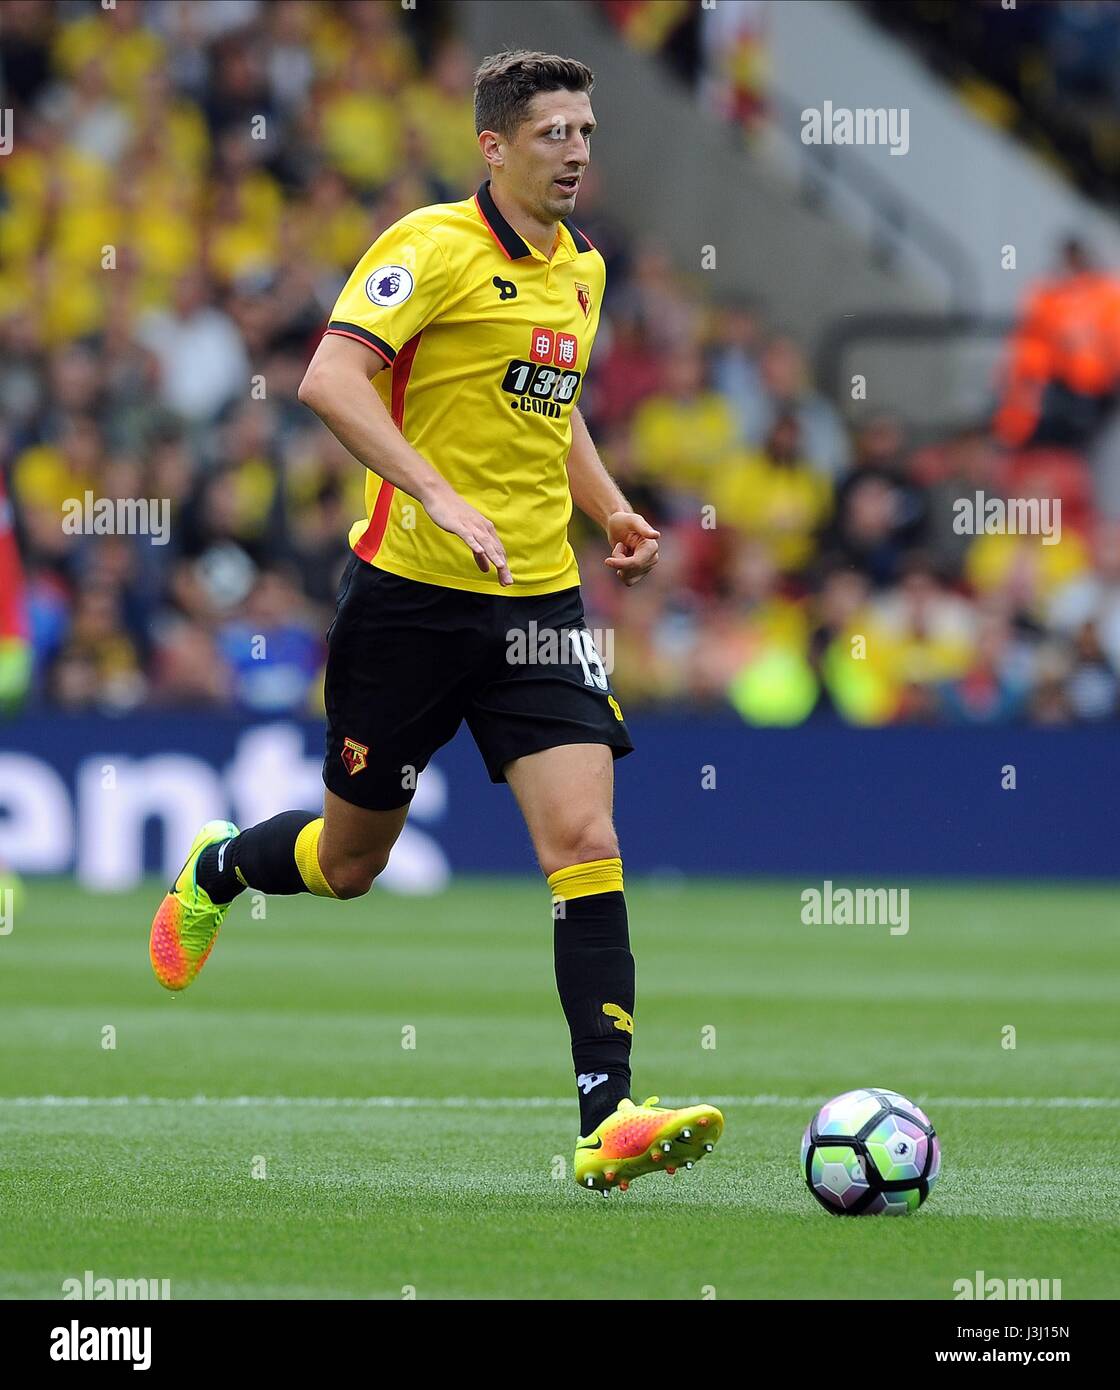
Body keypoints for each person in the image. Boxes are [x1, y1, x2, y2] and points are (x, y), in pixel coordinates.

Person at [147, 49, 723, 1196]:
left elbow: (548, 411)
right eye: (554, 133)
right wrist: (436, 491)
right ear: (494, 146)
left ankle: (605, 1115)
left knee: (586, 841)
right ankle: (219, 865)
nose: (576, 153)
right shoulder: (429, 246)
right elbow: (331, 379)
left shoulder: (583, 269)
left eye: (587, 132)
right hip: (408, 602)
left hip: (535, 601)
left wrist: (608, 508)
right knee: (352, 861)